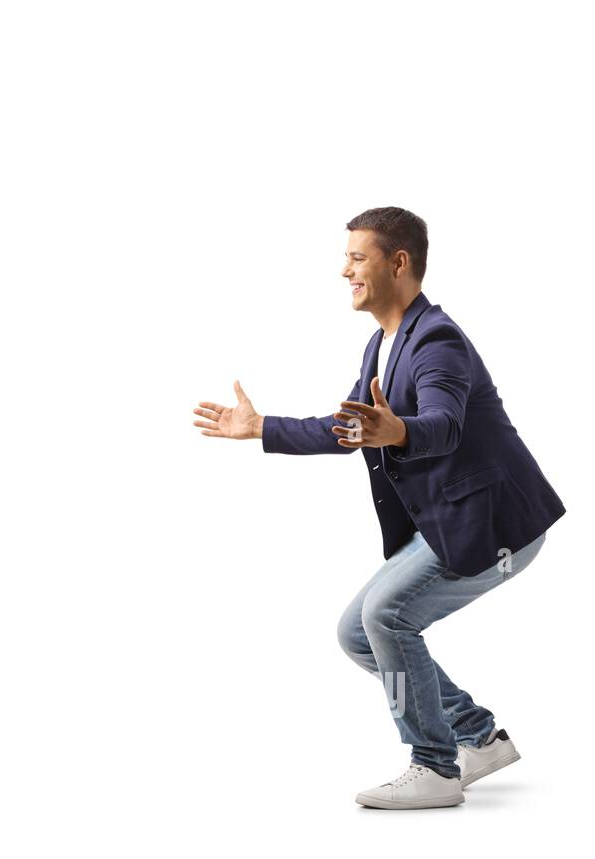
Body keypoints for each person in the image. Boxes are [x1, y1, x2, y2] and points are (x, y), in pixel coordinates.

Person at [193, 207, 565, 809]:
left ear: (399, 263)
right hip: (448, 522)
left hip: (498, 528)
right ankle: (476, 735)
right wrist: (261, 427)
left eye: (356, 257)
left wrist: (398, 431)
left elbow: (441, 425)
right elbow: (351, 429)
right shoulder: (383, 344)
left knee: (387, 616)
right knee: (357, 631)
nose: (344, 270)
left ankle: (435, 768)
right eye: (346, 258)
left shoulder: (438, 341)